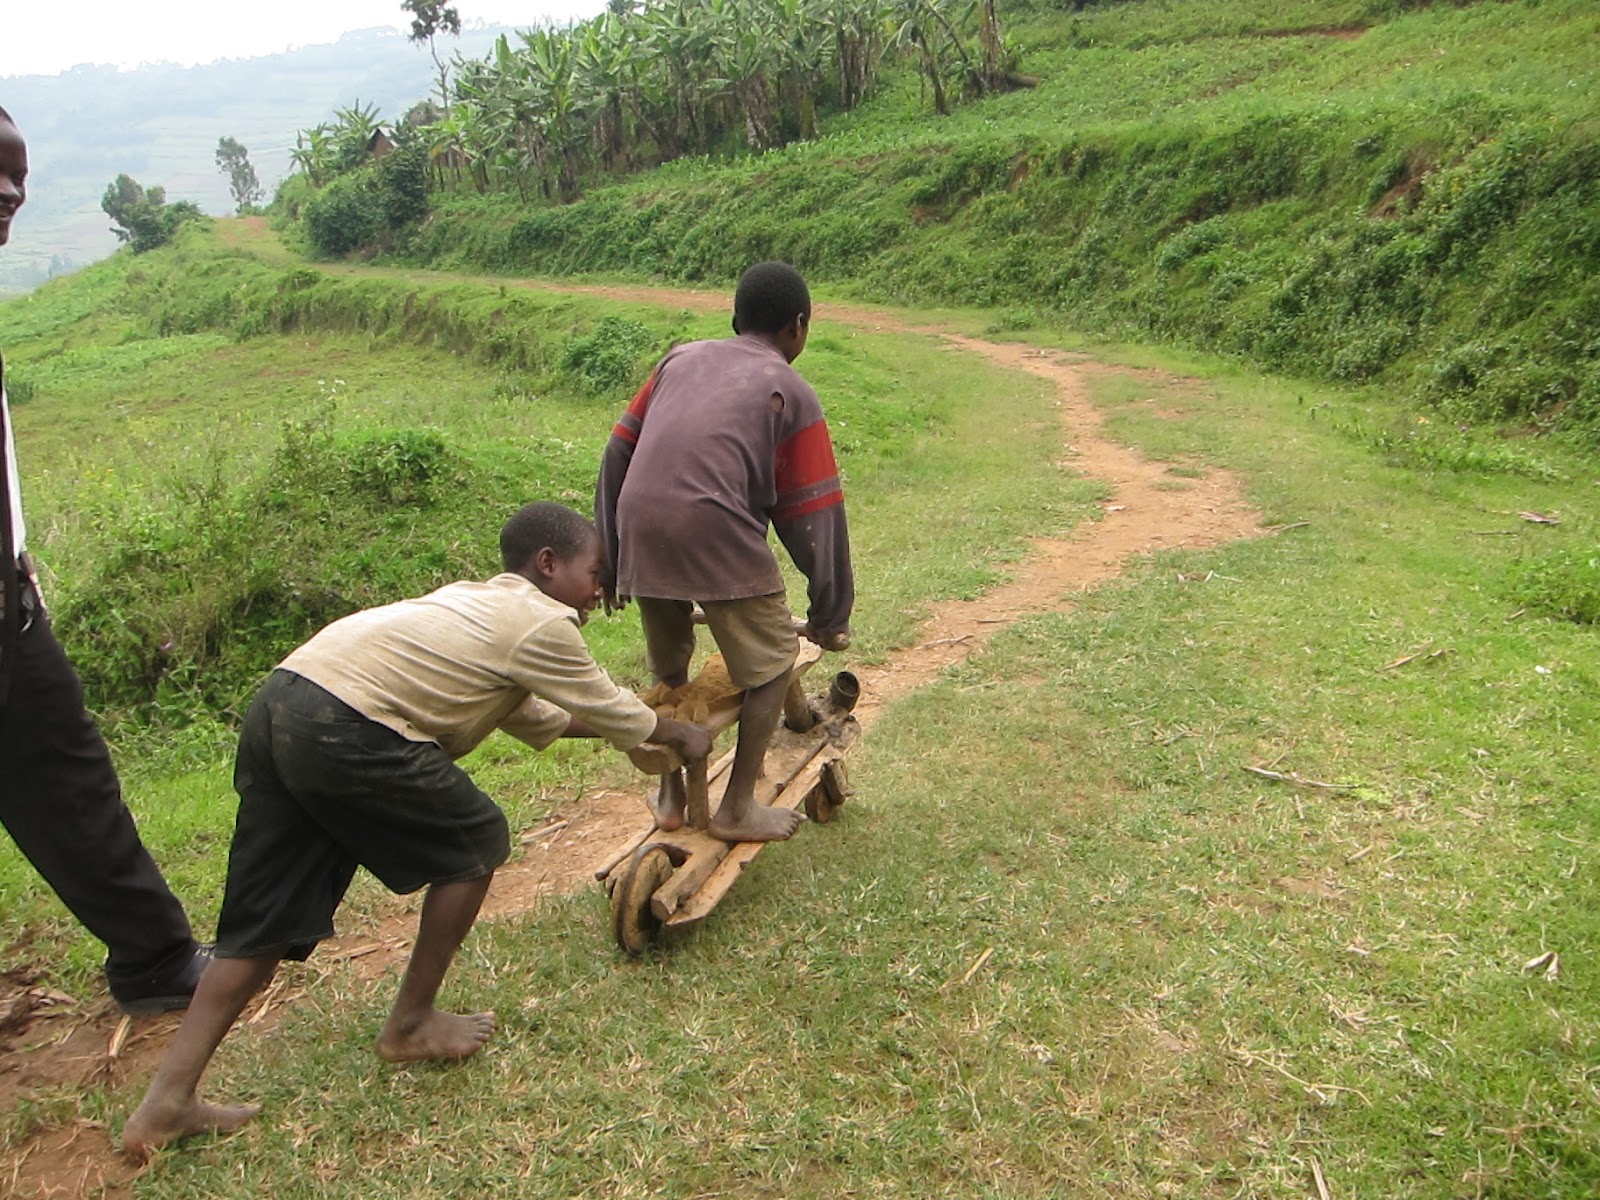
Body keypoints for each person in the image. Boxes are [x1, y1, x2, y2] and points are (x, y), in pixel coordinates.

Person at [121, 502, 711, 1160]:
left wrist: (631, 727)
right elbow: (612, 708)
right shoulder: (541, 621)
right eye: (594, 571)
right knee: (476, 842)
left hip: (284, 701)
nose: (600, 589)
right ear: (548, 564)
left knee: (259, 927)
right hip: (346, 722)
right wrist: (680, 731)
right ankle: (410, 1024)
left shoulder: (480, 607)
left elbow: (541, 717)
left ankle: (165, 1103)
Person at [0, 102, 207, 1017]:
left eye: (21, 177)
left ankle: (155, 959)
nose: (10, 194)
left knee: (68, 773)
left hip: (10, 602)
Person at [595, 261, 854, 844]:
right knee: (771, 663)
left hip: (639, 526)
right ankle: (737, 806)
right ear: (799, 327)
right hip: (715, 529)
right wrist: (830, 615)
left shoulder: (677, 360)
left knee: (670, 667)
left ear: (735, 320)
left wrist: (612, 558)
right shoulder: (791, 389)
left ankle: (669, 796)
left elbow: (617, 452)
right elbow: (814, 510)